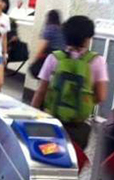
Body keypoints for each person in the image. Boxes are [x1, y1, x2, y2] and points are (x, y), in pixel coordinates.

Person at [31, 16, 108, 150]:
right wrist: (83, 101)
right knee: (72, 158)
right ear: (87, 38)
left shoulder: (54, 58)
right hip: (78, 126)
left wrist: (31, 116)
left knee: (49, 154)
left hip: (52, 121)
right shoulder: (97, 61)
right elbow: (101, 96)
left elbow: (41, 91)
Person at [29, 10, 65, 76]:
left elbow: (42, 47)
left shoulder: (49, 29)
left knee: (41, 76)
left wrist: (35, 60)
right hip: (61, 59)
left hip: (50, 59)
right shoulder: (62, 29)